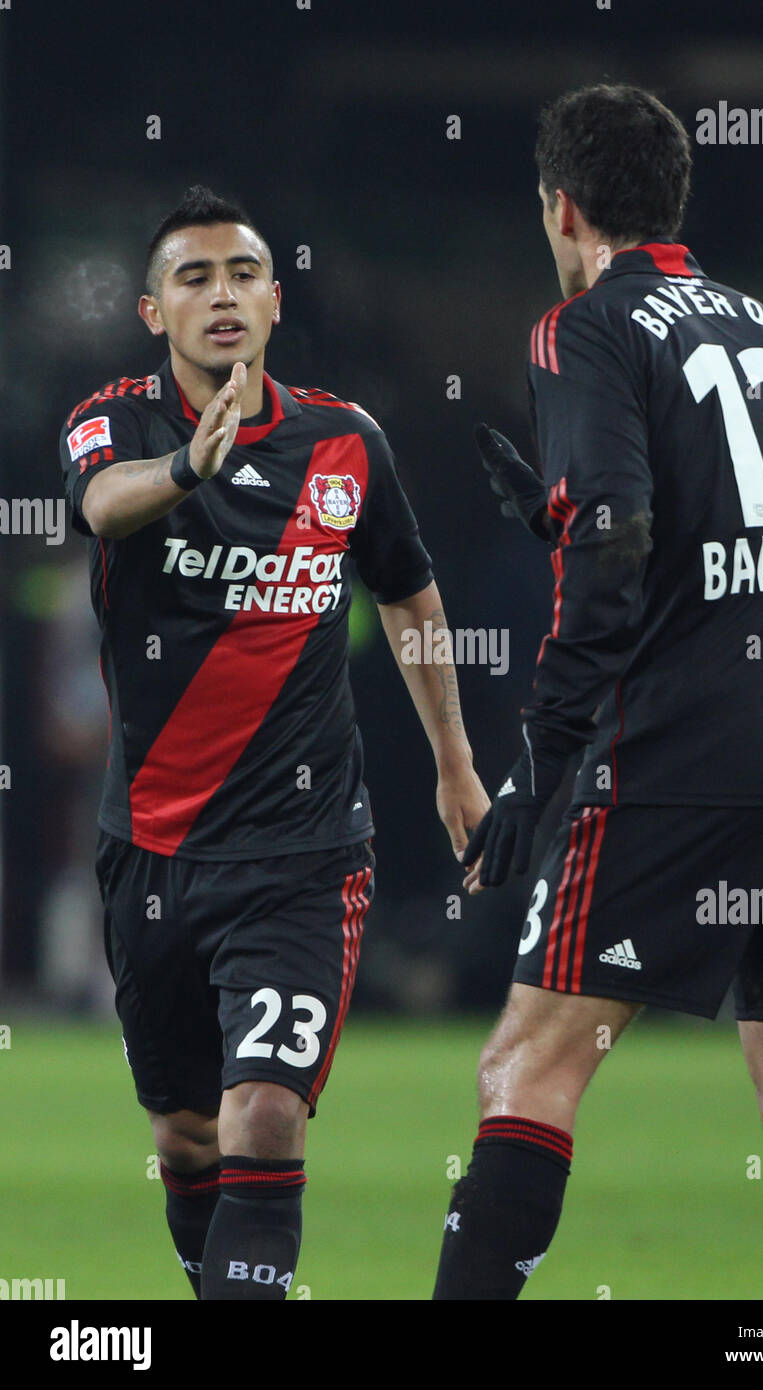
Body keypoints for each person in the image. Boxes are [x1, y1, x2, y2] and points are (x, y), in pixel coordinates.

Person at [433, 84, 763, 1300]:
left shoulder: (581, 327)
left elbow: (620, 541)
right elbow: (714, 521)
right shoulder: (754, 320)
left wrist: (540, 764)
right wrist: (559, 509)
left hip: (688, 749)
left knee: (524, 1067)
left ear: (561, 206)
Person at [60, 185, 488, 1300]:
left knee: (263, 1113)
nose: (222, 296)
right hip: (149, 850)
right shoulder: (114, 419)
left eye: (242, 274)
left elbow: (407, 592)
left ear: (275, 300)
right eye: (193, 279)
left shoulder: (345, 442)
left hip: (301, 853)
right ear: (154, 313)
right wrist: (191, 472)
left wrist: (452, 756)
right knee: (186, 1138)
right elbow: (105, 506)